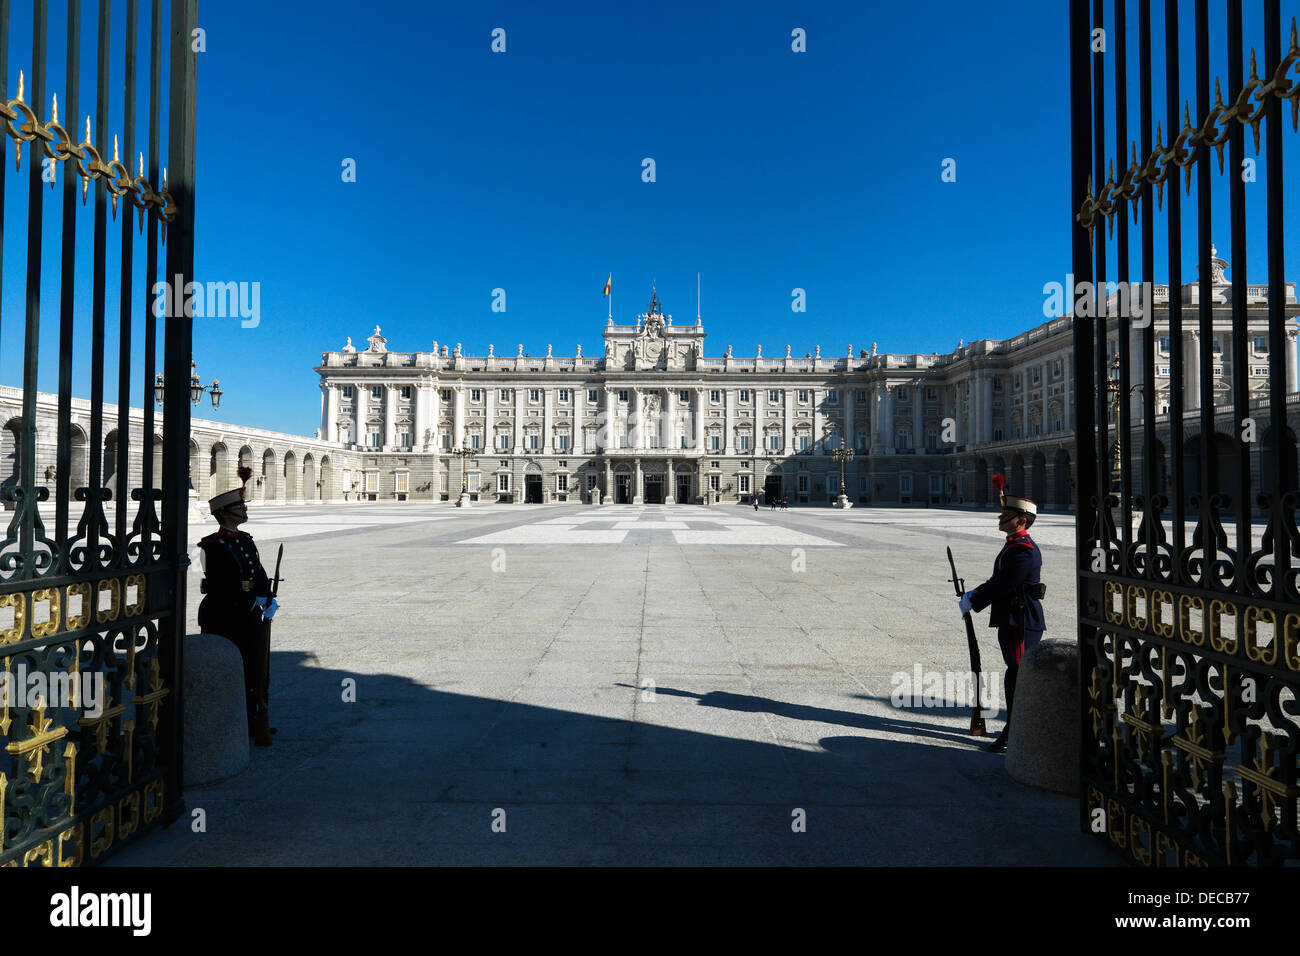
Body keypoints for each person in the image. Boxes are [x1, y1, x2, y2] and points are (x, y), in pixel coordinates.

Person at [956, 473, 1045, 754]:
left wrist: (976, 598)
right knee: (1013, 672)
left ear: (1021, 520)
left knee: (1018, 675)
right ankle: (1017, 726)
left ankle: (1013, 731)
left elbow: (1005, 584)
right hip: (1012, 617)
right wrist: (973, 595)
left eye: (1006, 515)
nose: (999, 518)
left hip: (1021, 620)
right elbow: (1000, 580)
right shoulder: (1014, 545)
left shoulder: (1023, 550)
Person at [198, 466, 277, 746]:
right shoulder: (212, 545)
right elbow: (219, 583)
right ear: (227, 512)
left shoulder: (245, 540)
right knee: (234, 666)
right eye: (241, 506)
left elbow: (257, 571)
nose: (245, 510)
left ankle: (257, 718)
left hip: (249, 615)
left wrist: (267, 596)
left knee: (257, 666)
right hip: (226, 615)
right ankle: (237, 719)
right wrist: (249, 600)